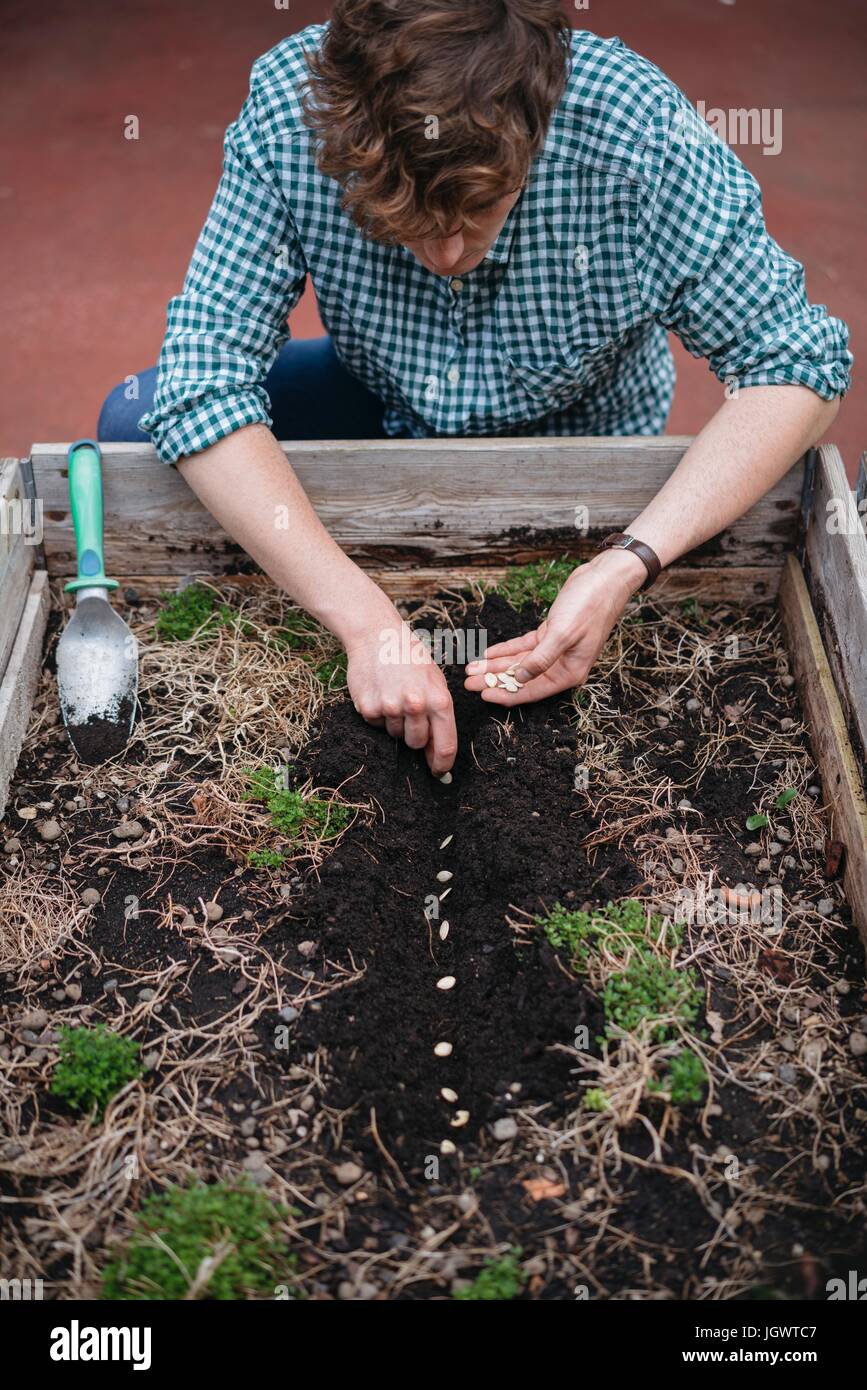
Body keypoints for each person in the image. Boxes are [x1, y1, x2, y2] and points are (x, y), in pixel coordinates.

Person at [98, 1, 851, 777]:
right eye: (406, 221)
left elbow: (794, 366)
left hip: (579, 439)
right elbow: (201, 379)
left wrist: (627, 561)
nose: (446, 253)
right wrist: (365, 621)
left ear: (536, 126)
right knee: (130, 423)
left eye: (479, 209)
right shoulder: (296, 113)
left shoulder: (635, 129)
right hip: (383, 398)